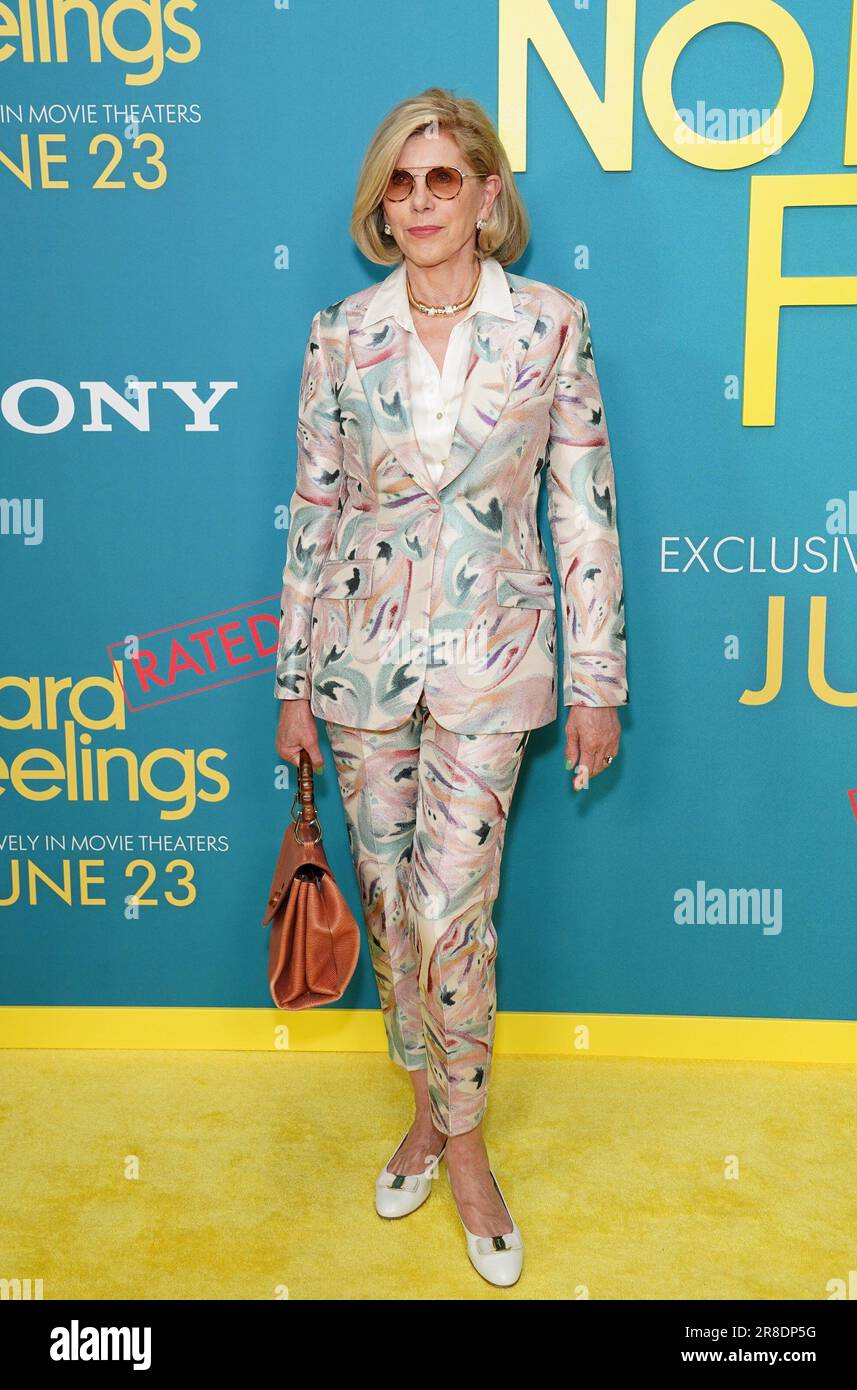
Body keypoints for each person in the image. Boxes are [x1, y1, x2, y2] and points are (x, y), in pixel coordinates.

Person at [273, 86, 628, 1287]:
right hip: (357, 663)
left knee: (452, 910)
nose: (419, 201)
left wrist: (598, 677)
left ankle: (462, 1141)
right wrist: (288, 680)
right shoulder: (337, 332)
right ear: (382, 202)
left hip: (495, 657)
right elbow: (314, 515)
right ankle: (422, 1099)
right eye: (400, 181)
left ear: (486, 195)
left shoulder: (551, 326)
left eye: (443, 179)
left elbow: (581, 506)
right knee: (387, 903)